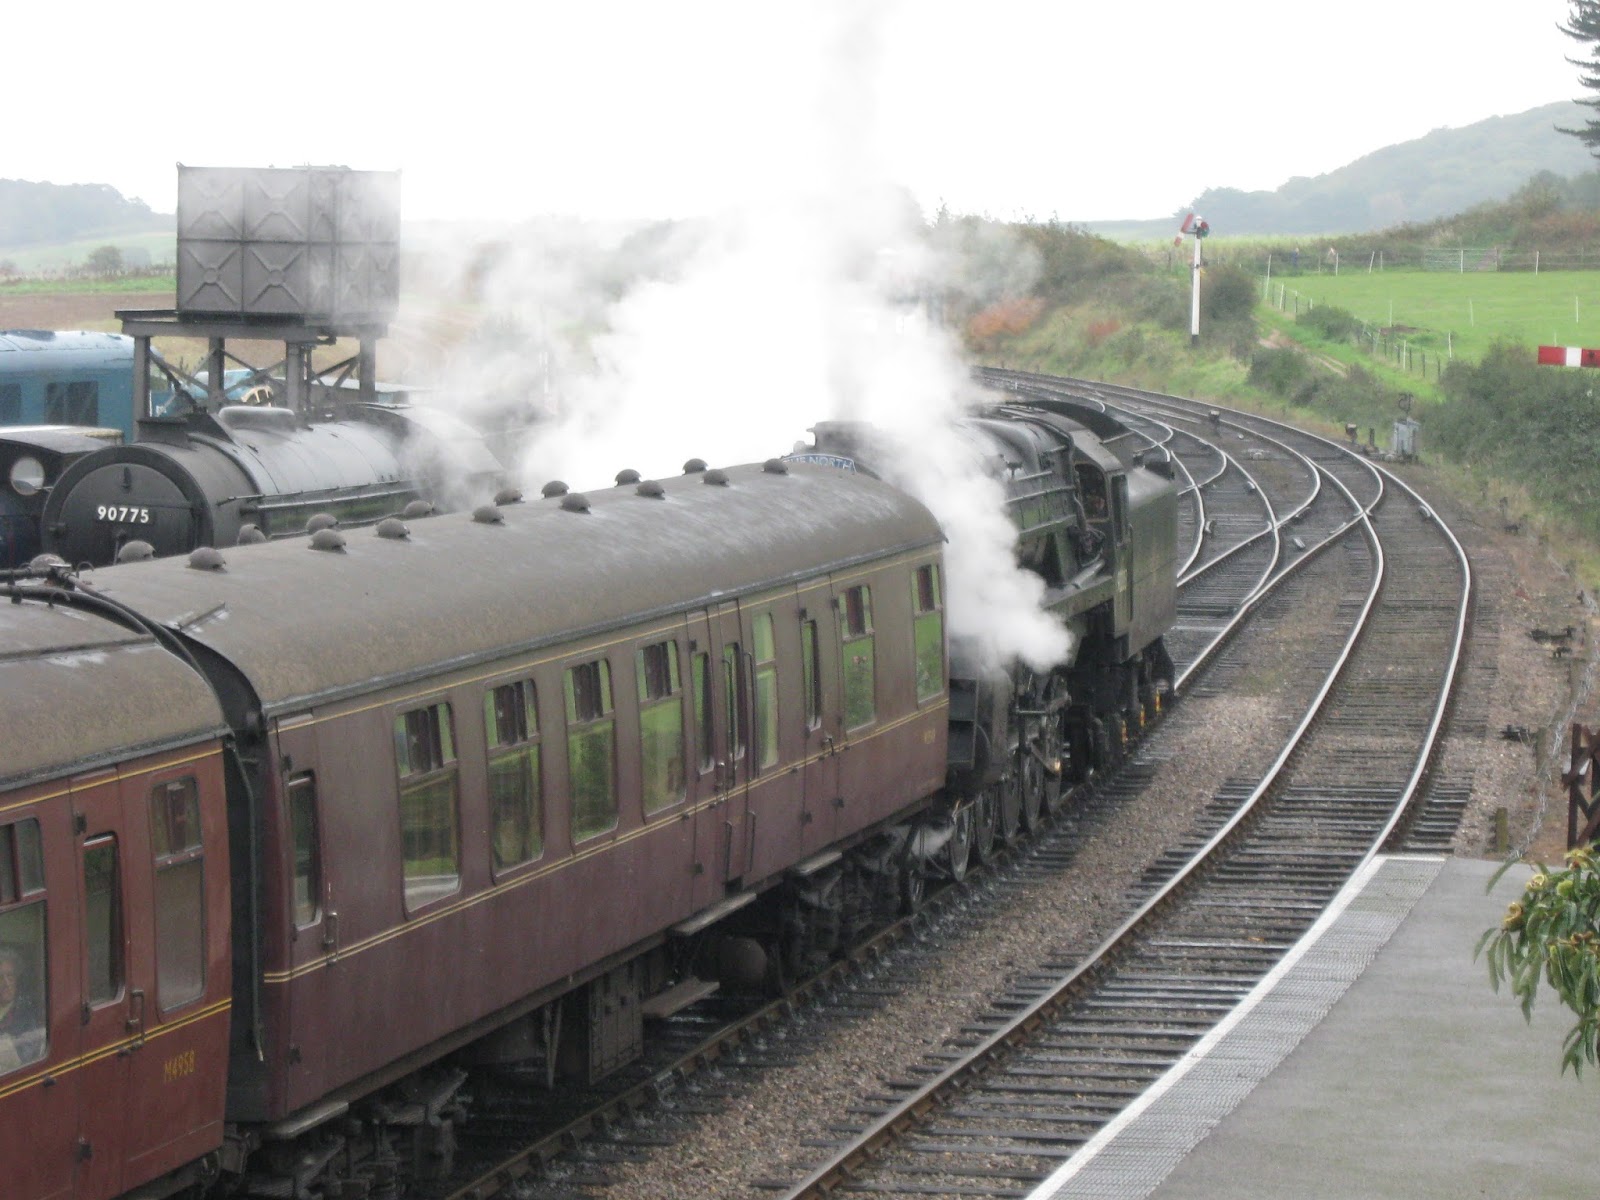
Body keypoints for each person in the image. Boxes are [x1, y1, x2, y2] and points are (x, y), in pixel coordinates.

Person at [0, 946, 45, 1072]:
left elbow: (25, 1057)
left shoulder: (27, 1015)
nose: (6, 983)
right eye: (0, 977)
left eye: (10, 976)